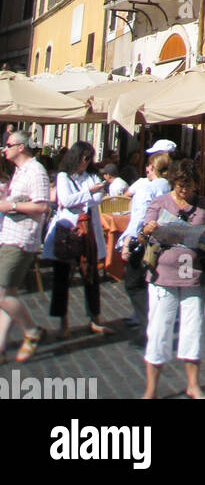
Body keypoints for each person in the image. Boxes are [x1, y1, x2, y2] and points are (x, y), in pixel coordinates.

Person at [142, 157, 205, 399]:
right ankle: (151, 389)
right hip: (164, 275)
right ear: (173, 183)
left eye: (189, 186)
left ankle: (193, 385)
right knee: (159, 330)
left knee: (193, 330)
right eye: (181, 186)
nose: (185, 191)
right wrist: (149, 230)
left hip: (193, 276)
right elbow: (143, 233)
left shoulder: (203, 204)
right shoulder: (160, 203)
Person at [41, 141, 108, 338]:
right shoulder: (63, 177)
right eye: (84, 157)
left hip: (88, 231)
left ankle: (95, 318)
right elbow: (66, 200)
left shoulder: (92, 176)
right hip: (68, 231)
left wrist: (86, 196)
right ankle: (63, 323)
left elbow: (96, 201)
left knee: (91, 275)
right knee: (62, 277)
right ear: (76, 157)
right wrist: (89, 193)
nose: (86, 162)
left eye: (89, 158)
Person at [0, 131, 51, 363]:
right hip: (8, 235)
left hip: (22, 238)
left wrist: (9, 205)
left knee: (1, 292)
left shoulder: (35, 170)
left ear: (21, 147)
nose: (4, 149)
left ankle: (31, 330)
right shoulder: (19, 171)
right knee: (8, 292)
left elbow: (42, 206)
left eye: (8, 145)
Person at [119, 152, 171, 338]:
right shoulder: (169, 187)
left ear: (154, 168)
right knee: (154, 282)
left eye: (149, 165)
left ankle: (148, 324)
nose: (146, 169)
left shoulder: (147, 189)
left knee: (134, 283)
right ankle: (155, 321)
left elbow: (138, 219)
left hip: (145, 240)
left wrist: (127, 243)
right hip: (166, 241)